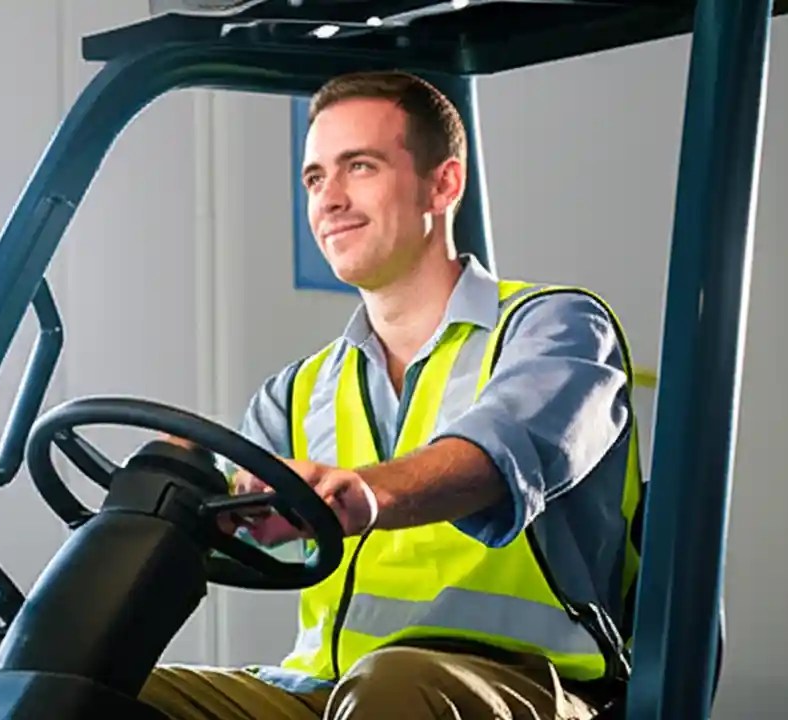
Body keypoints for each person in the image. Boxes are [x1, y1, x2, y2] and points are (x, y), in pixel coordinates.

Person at [141, 70, 645, 720]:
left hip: (527, 685)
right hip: (325, 688)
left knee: (390, 689)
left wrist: (365, 493)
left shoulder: (555, 329)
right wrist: (172, 499)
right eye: (316, 177)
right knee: (94, 689)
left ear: (444, 184)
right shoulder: (297, 391)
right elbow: (232, 514)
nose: (329, 199)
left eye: (360, 167)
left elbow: (496, 456)